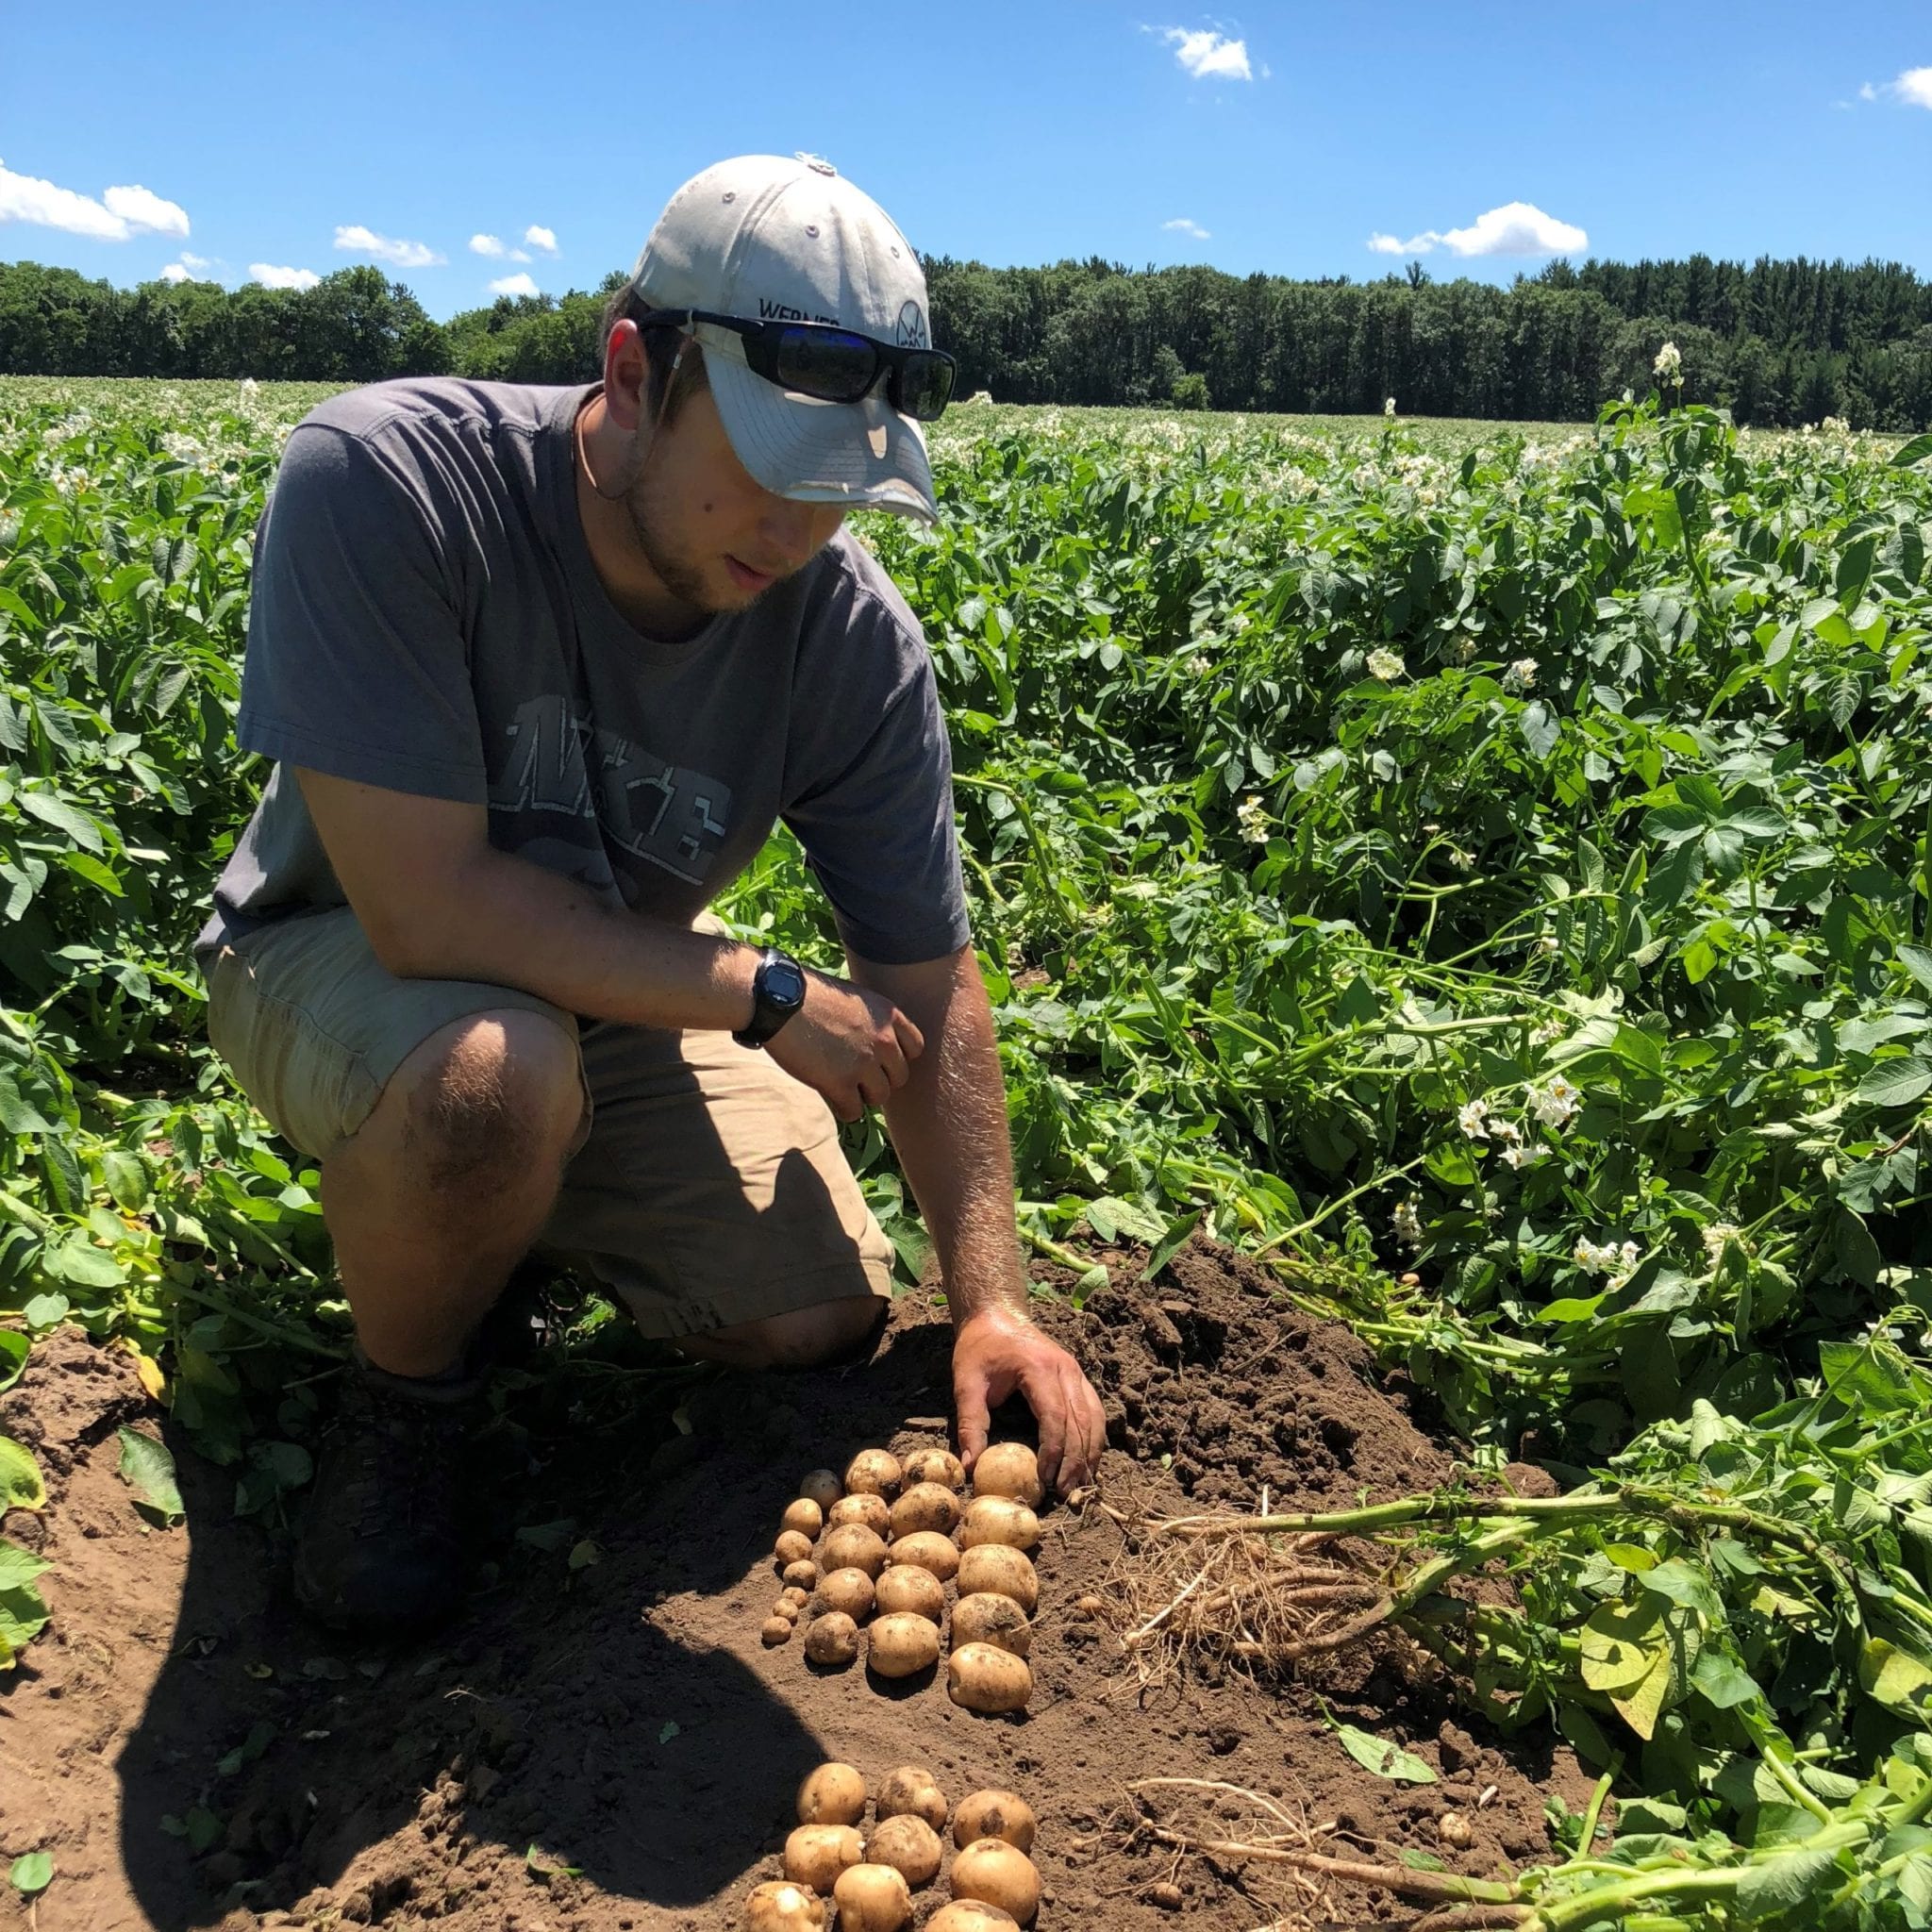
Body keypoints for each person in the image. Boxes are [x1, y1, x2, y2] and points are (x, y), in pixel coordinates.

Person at [192, 153, 1108, 1636]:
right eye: (763, 469)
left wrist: (990, 1295)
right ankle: (411, 1404)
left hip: (608, 996)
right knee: (490, 1080)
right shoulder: (390, 481)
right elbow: (426, 913)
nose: (801, 534)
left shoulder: (845, 638)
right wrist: (762, 991)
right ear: (632, 369)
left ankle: (488, 1215)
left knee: (812, 1311)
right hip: (340, 946)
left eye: (839, 491)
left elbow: (932, 981)